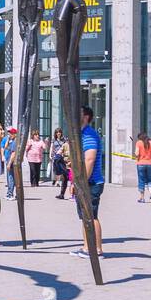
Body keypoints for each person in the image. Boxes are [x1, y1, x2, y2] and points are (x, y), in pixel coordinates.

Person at [71, 105, 105, 261]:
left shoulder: (89, 135)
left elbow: (89, 159)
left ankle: (96, 249)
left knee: (91, 215)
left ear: (85, 117)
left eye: (78, 113)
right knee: (85, 215)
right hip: (85, 182)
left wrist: (81, 182)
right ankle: (86, 246)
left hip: (91, 183)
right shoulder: (82, 134)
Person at [135, 131, 151, 204]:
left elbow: (137, 154)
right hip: (150, 164)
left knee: (141, 181)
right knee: (149, 180)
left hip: (141, 164)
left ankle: (142, 198)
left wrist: (137, 155)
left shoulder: (139, 143)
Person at [50, 127, 69, 199]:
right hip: (57, 157)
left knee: (67, 177)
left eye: (59, 132)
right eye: (57, 132)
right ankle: (61, 194)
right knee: (61, 174)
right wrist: (51, 155)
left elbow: (64, 149)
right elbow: (52, 148)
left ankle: (72, 194)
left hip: (65, 159)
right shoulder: (54, 140)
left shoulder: (64, 141)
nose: (58, 133)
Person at [2, 126, 19, 199]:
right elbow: (5, 147)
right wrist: (8, 139)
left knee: (11, 178)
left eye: (11, 133)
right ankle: (13, 194)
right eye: (9, 133)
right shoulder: (11, 140)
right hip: (9, 160)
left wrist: (9, 163)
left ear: (15, 134)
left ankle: (10, 194)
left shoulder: (15, 142)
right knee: (11, 178)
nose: (10, 135)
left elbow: (13, 153)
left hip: (12, 161)